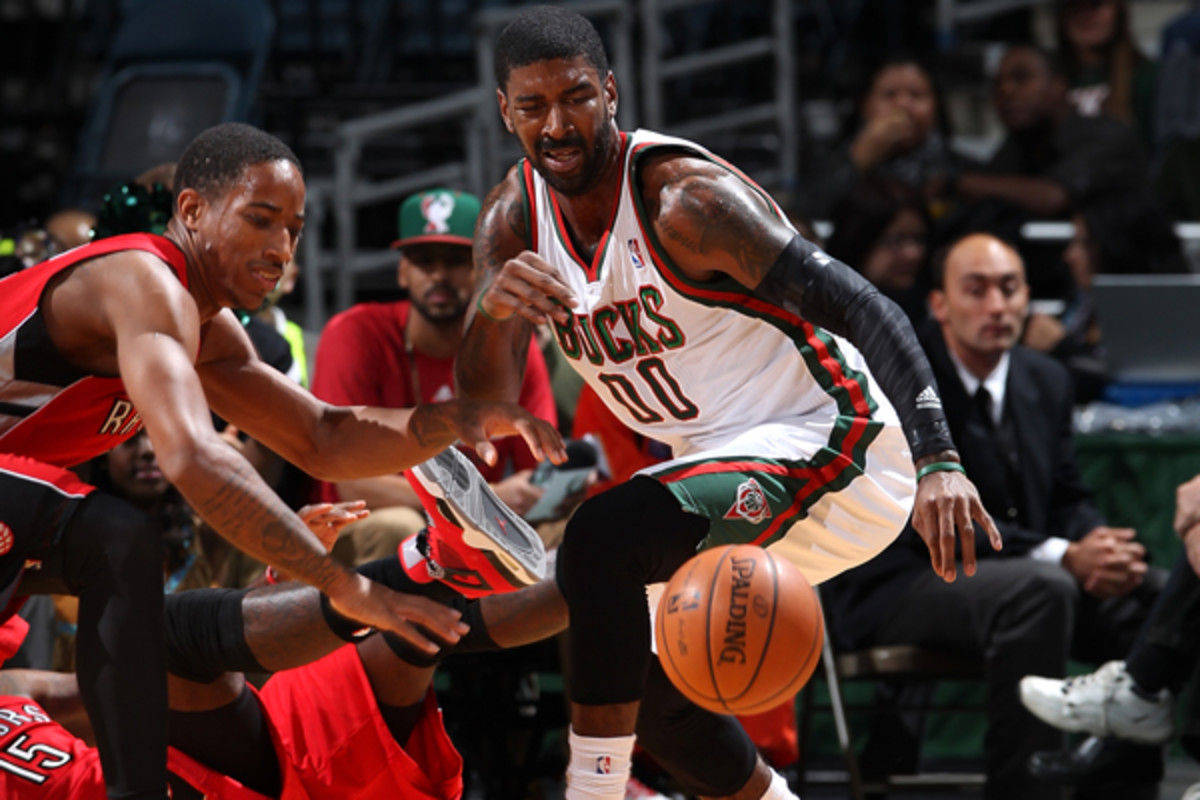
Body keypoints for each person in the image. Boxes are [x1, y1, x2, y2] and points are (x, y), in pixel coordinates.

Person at [424, 8, 1000, 800]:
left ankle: (591, 792)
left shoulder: (686, 202)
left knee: (600, 537)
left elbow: (868, 306)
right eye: (533, 106)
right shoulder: (513, 219)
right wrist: (492, 308)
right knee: (650, 692)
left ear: (611, 92)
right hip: (718, 466)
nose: (556, 125)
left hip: (838, 444)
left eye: (576, 98)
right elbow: (483, 403)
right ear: (504, 111)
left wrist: (940, 458)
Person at [0, 121, 565, 800]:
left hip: (17, 518)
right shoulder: (144, 281)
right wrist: (342, 584)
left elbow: (321, 435)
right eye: (260, 219)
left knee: (155, 610)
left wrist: (451, 422)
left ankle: (442, 570)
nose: (281, 248)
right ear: (191, 211)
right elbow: (193, 457)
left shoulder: (206, 328)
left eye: (294, 229)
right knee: (118, 542)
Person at [823, 232, 1165, 799]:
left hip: (1014, 572)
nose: (997, 306)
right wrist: (1063, 554)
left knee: (1147, 593)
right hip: (903, 579)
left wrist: (1098, 542)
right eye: (976, 290)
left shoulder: (1045, 378)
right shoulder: (902, 376)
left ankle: (1121, 793)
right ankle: (1024, 791)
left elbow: (1066, 495)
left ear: (1029, 296)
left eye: (1009, 289)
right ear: (940, 304)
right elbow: (926, 513)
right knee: (1042, 589)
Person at [0, 500, 569, 799]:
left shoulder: (15, 686)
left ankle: (598, 572)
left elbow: (133, 688)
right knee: (159, 640)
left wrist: (282, 584)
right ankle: (419, 566)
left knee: (428, 621)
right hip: (214, 783)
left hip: (258, 758)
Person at [310, 187, 558, 567]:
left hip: (487, 528)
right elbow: (350, 482)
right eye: (424, 261)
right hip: (364, 523)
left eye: (456, 261)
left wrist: (554, 489)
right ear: (402, 271)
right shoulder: (354, 333)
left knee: (577, 528)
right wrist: (486, 501)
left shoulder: (511, 343)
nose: (439, 275)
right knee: (400, 526)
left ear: (483, 270)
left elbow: (538, 471)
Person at [1018, 470, 1200, 792]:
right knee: (1052, 589)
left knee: (1052, 589)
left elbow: (1069, 496)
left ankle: (1140, 691)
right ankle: (1139, 694)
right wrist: (1086, 550)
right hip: (948, 568)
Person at [1022, 188, 1184, 403]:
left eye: (1083, 243)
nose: (1069, 255)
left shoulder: (1167, 319)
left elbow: (1123, 383)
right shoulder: (1082, 305)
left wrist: (1062, 347)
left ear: (1114, 247)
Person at [808, 57, 962, 219]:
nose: (903, 105)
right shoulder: (827, 160)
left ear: (936, 105)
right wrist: (860, 157)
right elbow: (811, 214)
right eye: (889, 95)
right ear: (865, 105)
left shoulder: (955, 169)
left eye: (916, 95)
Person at [824, 175, 933, 327]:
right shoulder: (821, 315)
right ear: (858, 242)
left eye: (919, 239)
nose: (914, 253)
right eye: (896, 240)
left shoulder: (931, 315)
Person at [1056, 0, 1157, 151]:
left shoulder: (1148, 77)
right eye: (1075, 7)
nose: (1086, 16)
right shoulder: (1045, 80)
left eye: (1096, 4)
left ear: (1119, 12)